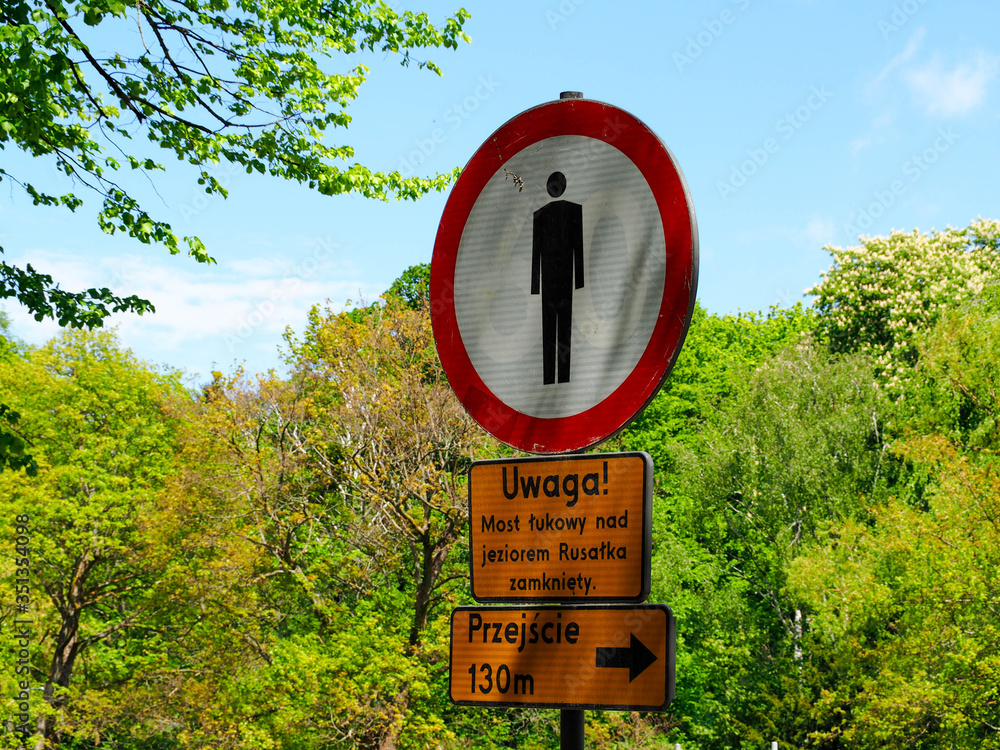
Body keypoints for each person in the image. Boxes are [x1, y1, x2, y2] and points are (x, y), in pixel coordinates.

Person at [531, 171, 585, 385]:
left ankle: (557, 379)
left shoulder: (542, 214)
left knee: (555, 330)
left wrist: (536, 285)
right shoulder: (572, 211)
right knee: (561, 329)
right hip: (562, 280)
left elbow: (578, 248)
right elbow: (577, 249)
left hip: (552, 280)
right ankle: (555, 379)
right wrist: (579, 281)